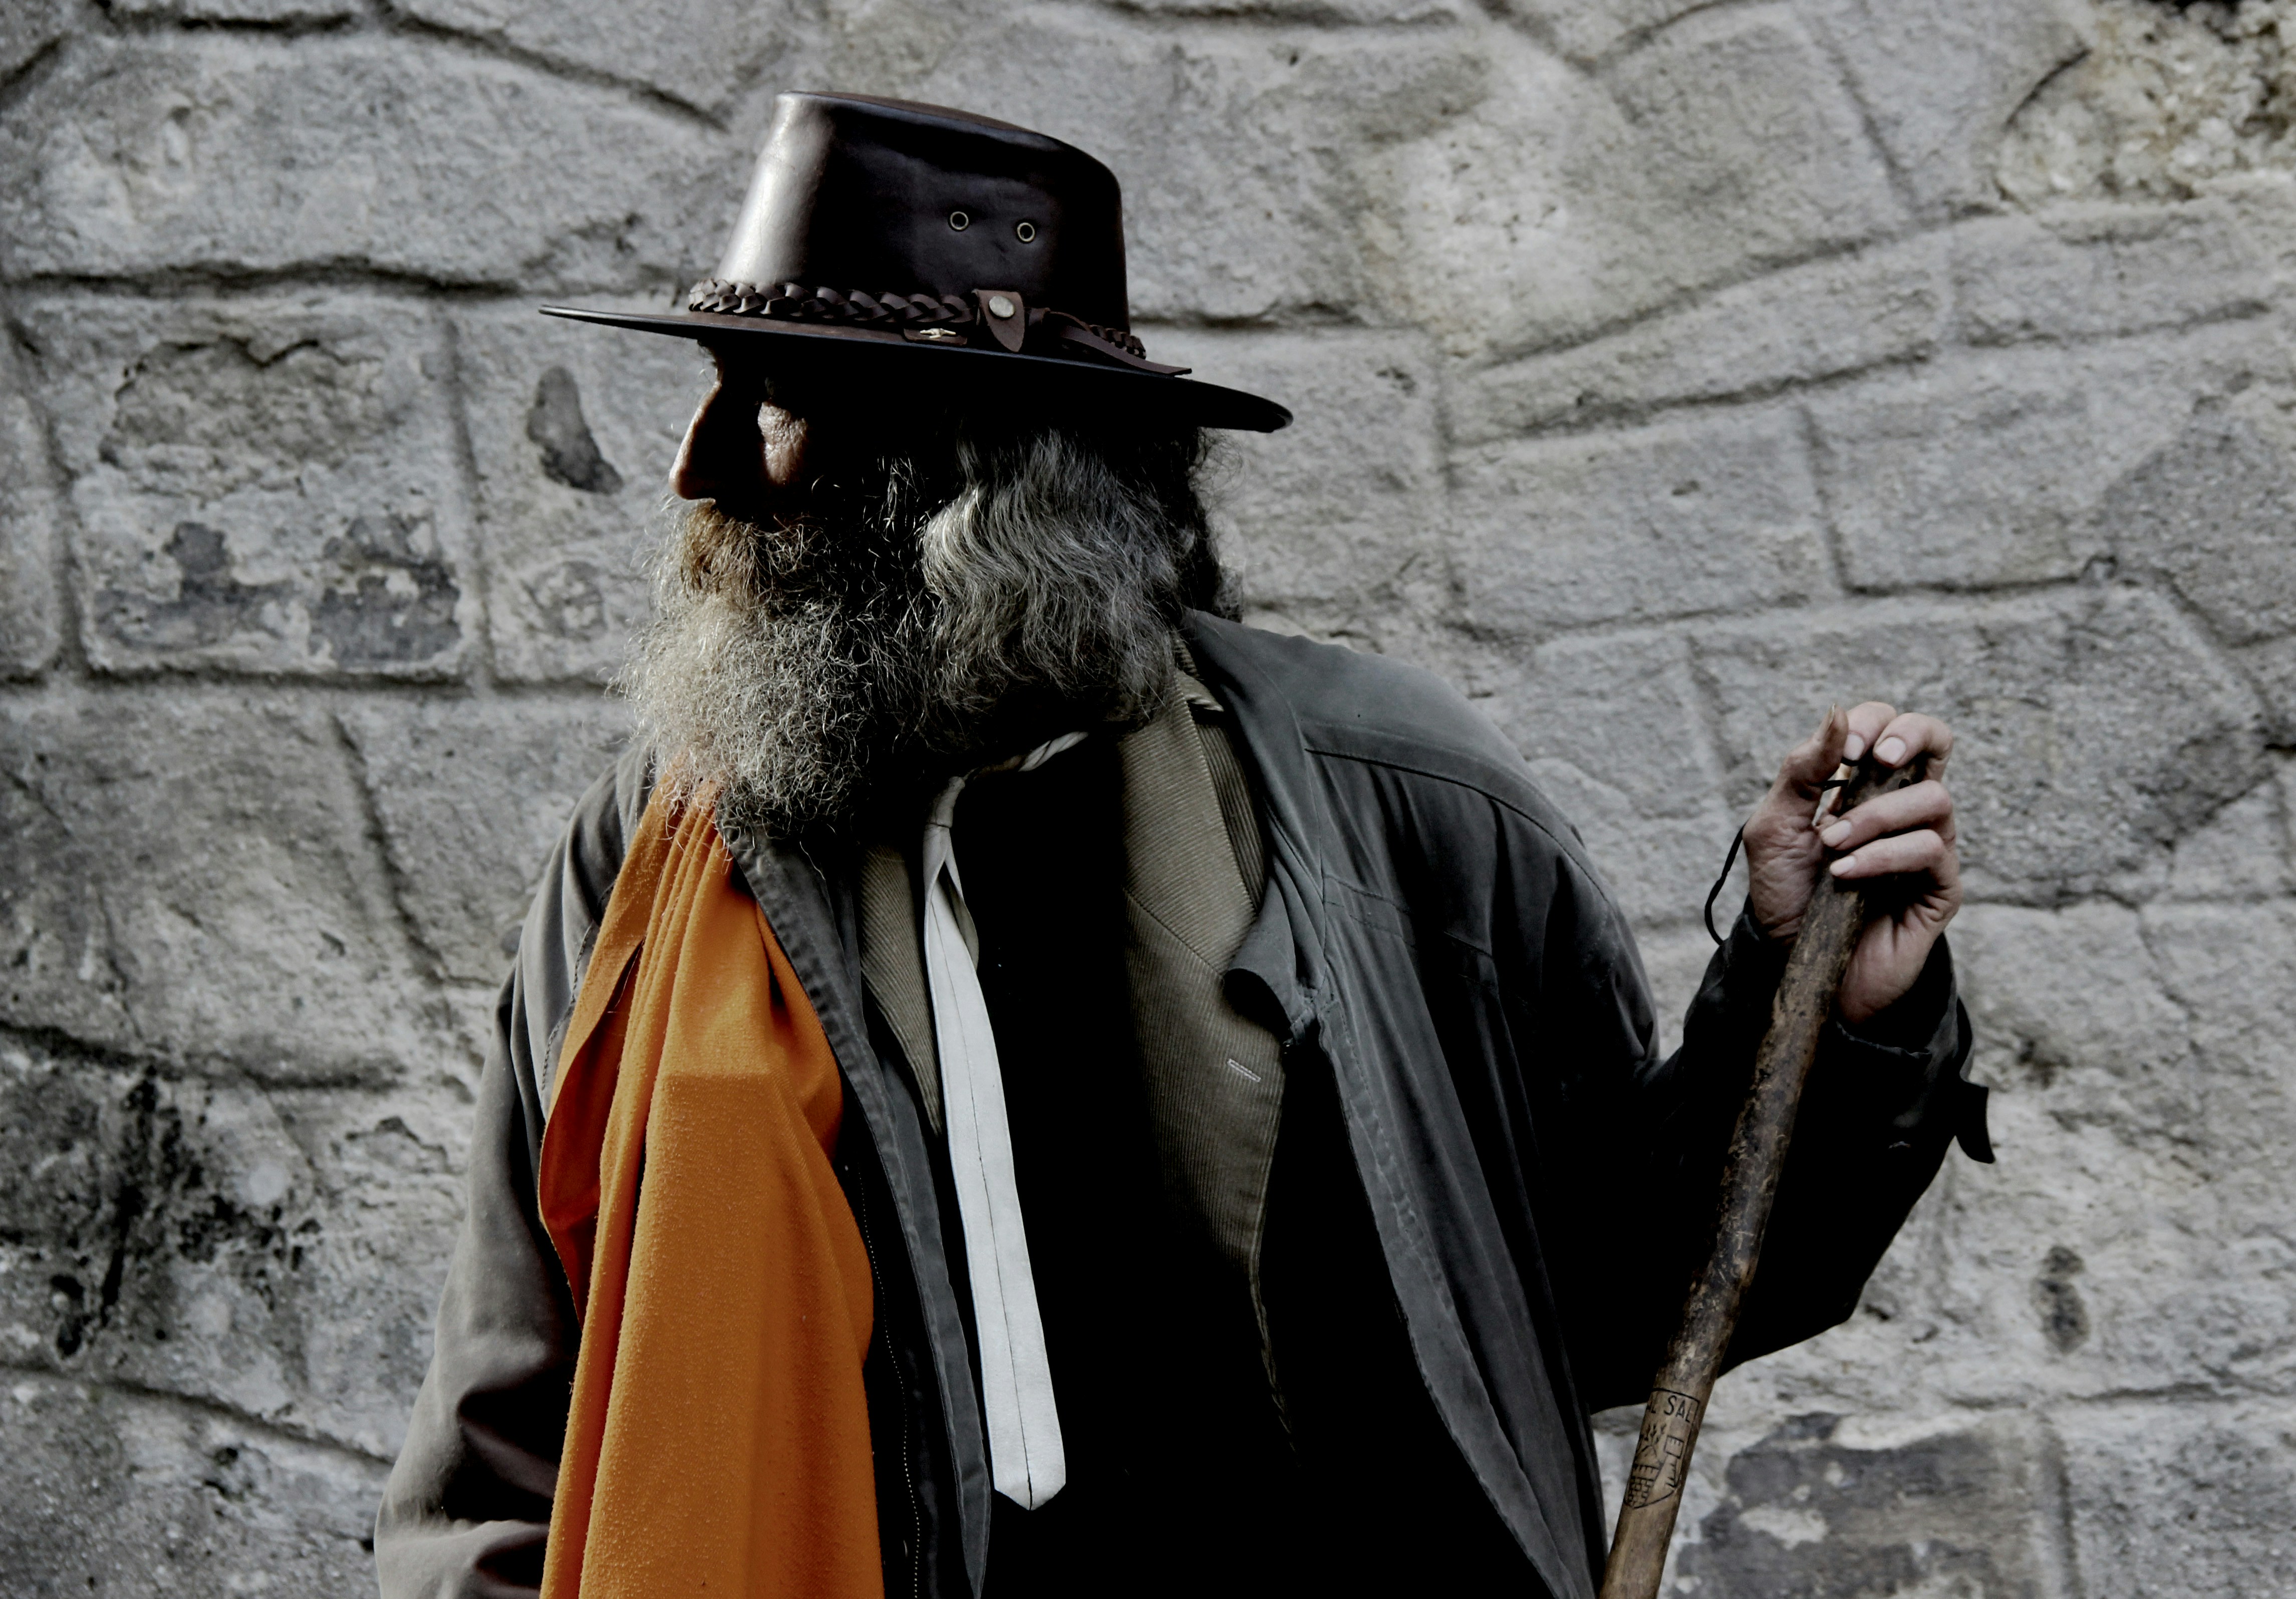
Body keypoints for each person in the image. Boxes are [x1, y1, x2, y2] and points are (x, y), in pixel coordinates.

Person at [374, 92, 1989, 1599]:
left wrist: (1817, 1006)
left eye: (780, 406)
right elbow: (512, 1438)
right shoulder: (649, 867)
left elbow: (1605, 1300)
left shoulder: (1403, 811)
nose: (703, 469)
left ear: (974, 479)